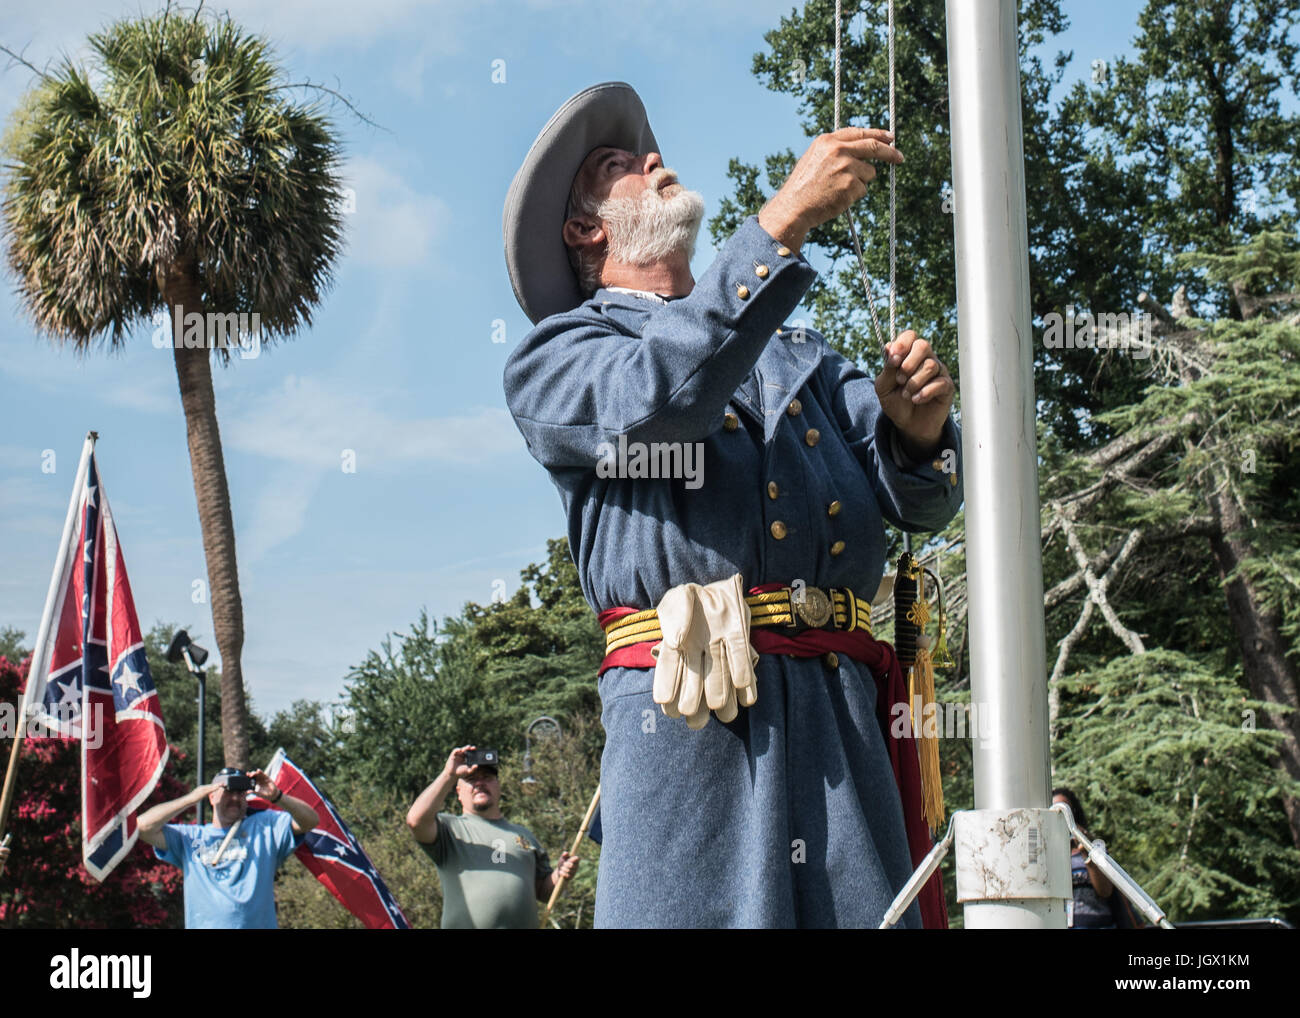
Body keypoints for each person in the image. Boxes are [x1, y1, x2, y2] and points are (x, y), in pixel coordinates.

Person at [501, 82, 963, 928]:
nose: (656, 161)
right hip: (690, 728)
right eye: (620, 166)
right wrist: (781, 221)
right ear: (585, 231)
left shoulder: (801, 354)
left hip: (841, 722)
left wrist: (920, 433)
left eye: (649, 152)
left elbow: (920, 505)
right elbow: (661, 403)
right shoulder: (554, 359)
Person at [406, 745, 579, 928]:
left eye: (487, 777)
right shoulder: (449, 829)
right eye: (471, 779)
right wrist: (449, 774)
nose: (480, 783)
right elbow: (415, 821)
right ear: (458, 792)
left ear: (498, 786)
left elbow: (544, 892)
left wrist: (560, 875)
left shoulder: (524, 836)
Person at [138, 767, 319, 929]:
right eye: (228, 791)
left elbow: (311, 821)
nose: (234, 798)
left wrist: (278, 796)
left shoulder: (265, 827)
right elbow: (143, 827)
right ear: (211, 796)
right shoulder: (189, 838)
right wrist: (191, 799)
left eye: (241, 793)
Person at [1052, 787, 1137, 929]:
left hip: (1099, 924)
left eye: (1064, 812)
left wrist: (1087, 851)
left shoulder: (1092, 847)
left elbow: (1105, 891)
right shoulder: (1046, 852)